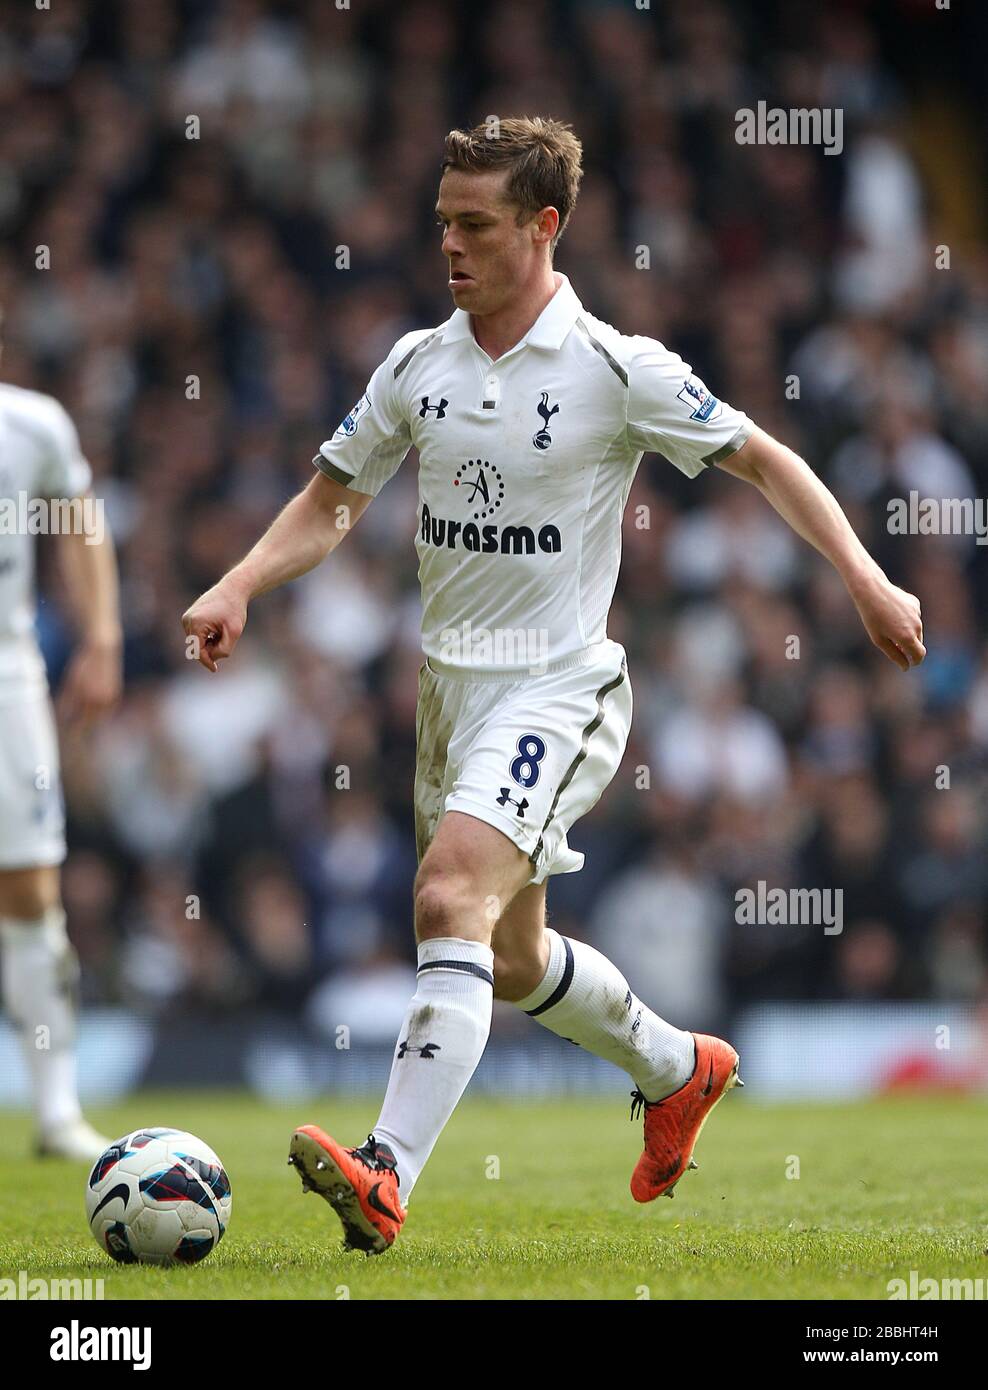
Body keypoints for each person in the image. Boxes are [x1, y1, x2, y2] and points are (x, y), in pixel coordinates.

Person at [182, 117, 925, 1254]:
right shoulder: (416, 365)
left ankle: (386, 1171)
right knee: (512, 955)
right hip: (447, 696)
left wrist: (869, 581)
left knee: (444, 901)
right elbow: (333, 500)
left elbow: (766, 458)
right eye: (441, 222)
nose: (450, 244)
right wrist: (238, 581)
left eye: (474, 224)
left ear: (544, 227)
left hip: (559, 689)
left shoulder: (617, 369)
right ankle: (679, 1068)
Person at [0, 320, 123, 1160]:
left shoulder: (30, 425)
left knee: (31, 892)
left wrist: (102, 636)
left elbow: (79, 519)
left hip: (8, 685)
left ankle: (55, 1111)